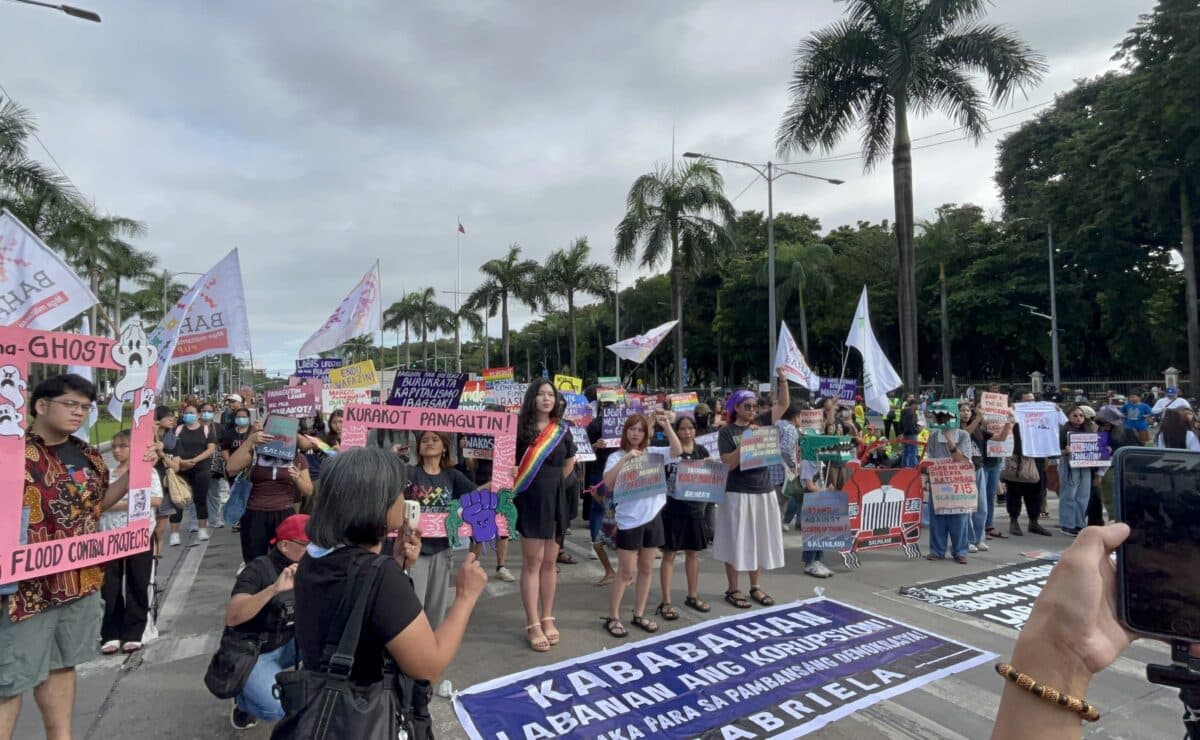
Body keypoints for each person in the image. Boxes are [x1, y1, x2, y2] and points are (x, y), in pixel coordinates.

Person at [293, 448, 487, 734]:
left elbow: (353, 607)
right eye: (399, 493)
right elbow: (429, 667)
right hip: (367, 717)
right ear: (376, 504)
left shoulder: (313, 557)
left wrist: (395, 563)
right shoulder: (381, 576)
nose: (405, 500)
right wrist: (465, 597)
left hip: (322, 709)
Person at [0, 374, 131, 740]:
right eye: (71, 404)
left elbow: (96, 507)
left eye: (86, 407)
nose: (79, 413)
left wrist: (133, 474)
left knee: (62, 665)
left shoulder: (88, 454)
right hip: (24, 589)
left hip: (78, 579)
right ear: (41, 406)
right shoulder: (10, 452)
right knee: (9, 677)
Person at [601, 412, 681, 637]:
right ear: (625, 431)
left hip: (653, 517)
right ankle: (613, 616)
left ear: (646, 434)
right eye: (632, 429)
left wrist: (666, 426)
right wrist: (627, 459)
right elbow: (608, 483)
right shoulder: (616, 456)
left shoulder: (654, 453)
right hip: (629, 521)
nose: (636, 434)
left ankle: (638, 613)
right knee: (626, 572)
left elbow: (677, 450)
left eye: (640, 430)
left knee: (646, 569)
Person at [224, 514, 308, 730]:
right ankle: (242, 700)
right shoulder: (259, 569)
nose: (313, 550)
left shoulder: (312, 566)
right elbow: (233, 616)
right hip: (256, 651)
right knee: (277, 707)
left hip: (292, 643)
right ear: (285, 545)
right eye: (306, 544)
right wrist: (273, 590)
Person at [714, 368, 789, 610]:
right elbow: (728, 463)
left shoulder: (762, 423)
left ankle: (755, 586)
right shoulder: (727, 432)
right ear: (736, 408)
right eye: (747, 406)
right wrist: (746, 441)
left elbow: (784, 404)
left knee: (758, 540)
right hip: (737, 492)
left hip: (763, 491)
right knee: (735, 541)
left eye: (755, 406)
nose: (753, 411)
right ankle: (733, 588)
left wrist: (783, 379)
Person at [513, 379, 576, 652]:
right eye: (540, 394)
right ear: (532, 399)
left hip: (557, 499)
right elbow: (509, 464)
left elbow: (570, 461)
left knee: (550, 562)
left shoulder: (562, 430)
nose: (546, 398)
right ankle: (532, 623)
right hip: (531, 500)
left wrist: (553, 485)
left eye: (551, 394)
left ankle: (547, 616)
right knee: (532, 561)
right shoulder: (519, 430)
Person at [99, 430, 162, 655]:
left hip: (139, 534)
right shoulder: (105, 474)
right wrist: (126, 501)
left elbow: (155, 499)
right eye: (114, 446)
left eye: (123, 446)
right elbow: (97, 503)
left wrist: (118, 502)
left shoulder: (147, 472)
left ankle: (134, 632)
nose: (117, 450)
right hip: (109, 536)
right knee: (110, 587)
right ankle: (111, 633)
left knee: (137, 582)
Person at [406, 430, 475, 630]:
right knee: (413, 605)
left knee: (436, 609)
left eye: (434, 439)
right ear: (418, 448)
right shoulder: (409, 473)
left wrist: (504, 479)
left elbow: (476, 494)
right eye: (424, 440)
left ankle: (429, 649)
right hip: (415, 549)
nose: (429, 442)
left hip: (443, 548)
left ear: (444, 447)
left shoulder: (452, 475)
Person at [226, 422, 314, 564]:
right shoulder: (255, 454)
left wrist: (297, 478)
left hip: (284, 513)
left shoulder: (297, 458)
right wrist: (250, 441)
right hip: (254, 512)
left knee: (285, 560)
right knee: (254, 559)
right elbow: (231, 467)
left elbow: (308, 490)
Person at [658, 414, 714, 614]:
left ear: (695, 430)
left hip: (695, 510)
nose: (687, 432)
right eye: (682, 428)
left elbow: (711, 478)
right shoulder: (671, 451)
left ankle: (692, 595)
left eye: (690, 428)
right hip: (673, 510)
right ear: (676, 431)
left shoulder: (702, 450)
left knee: (693, 554)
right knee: (670, 555)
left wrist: (711, 465)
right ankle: (666, 602)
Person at [463, 405, 516, 583]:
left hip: (502, 487)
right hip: (481, 484)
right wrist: (468, 455)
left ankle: (501, 566)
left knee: (502, 528)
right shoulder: (477, 436)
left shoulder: (509, 439)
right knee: (478, 528)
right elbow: (471, 466)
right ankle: (472, 565)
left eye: (492, 418)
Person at [924, 407, 974, 563]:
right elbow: (931, 459)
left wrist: (949, 439)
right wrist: (927, 478)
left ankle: (960, 551)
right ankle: (937, 551)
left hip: (959, 481)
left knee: (959, 518)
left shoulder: (963, 435)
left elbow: (963, 459)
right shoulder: (933, 437)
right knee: (937, 517)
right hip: (939, 482)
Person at [172, 402, 218, 542]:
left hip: (201, 469)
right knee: (178, 500)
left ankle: (202, 529)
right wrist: (182, 462)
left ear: (198, 415)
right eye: (186, 413)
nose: (188, 415)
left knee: (200, 499)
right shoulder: (178, 430)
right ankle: (174, 533)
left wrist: (195, 460)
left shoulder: (206, 430)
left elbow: (211, 449)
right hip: (181, 469)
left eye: (191, 413)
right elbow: (171, 448)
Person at [584, 402, 618, 586]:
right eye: (607, 406)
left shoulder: (624, 424)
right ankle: (595, 543)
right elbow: (583, 449)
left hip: (621, 472)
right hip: (599, 472)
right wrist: (595, 445)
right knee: (598, 508)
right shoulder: (595, 425)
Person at [1057, 405, 1096, 536]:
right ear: (1068, 417)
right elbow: (1054, 451)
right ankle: (1067, 524)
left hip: (1085, 464)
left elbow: (1095, 446)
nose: (1079, 418)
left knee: (1083, 495)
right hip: (1068, 464)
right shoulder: (1063, 430)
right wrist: (1064, 451)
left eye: (1081, 415)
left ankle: (1080, 523)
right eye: (1075, 415)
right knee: (1069, 495)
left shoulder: (1089, 429)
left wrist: (1103, 450)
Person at [899, 397, 922, 468]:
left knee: (905, 451)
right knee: (912, 452)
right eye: (917, 404)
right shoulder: (911, 413)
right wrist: (917, 430)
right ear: (913, 404)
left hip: (905, 434)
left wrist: (902, 432)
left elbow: (901, 423)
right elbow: (911, 425)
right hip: (912, 434)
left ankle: (904, 465)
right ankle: (913, 466)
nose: (918, 406)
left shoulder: (904, 412)